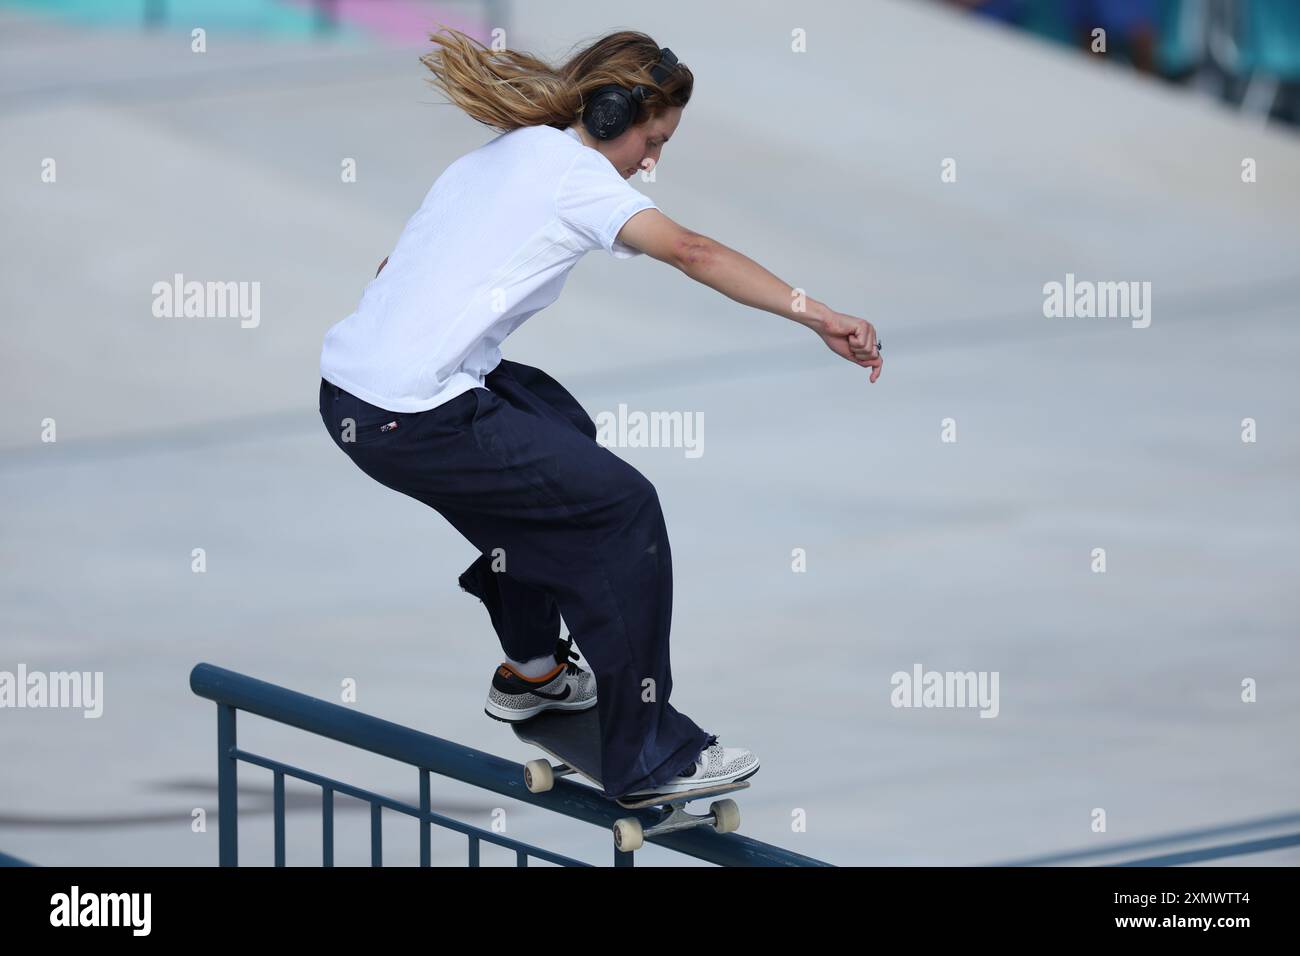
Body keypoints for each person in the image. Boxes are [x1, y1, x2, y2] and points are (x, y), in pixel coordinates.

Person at [318, 28, 882, 800]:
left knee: (556, 424)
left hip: (356, 395)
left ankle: (535, 671)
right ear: (614, 115)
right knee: (621, 508)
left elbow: (397, 266)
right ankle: (652, 754)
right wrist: (818, 315)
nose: (651, 163)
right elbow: (691, 251)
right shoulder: (576, 178)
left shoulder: (503, 153)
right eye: (652, 141)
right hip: (414, 414)